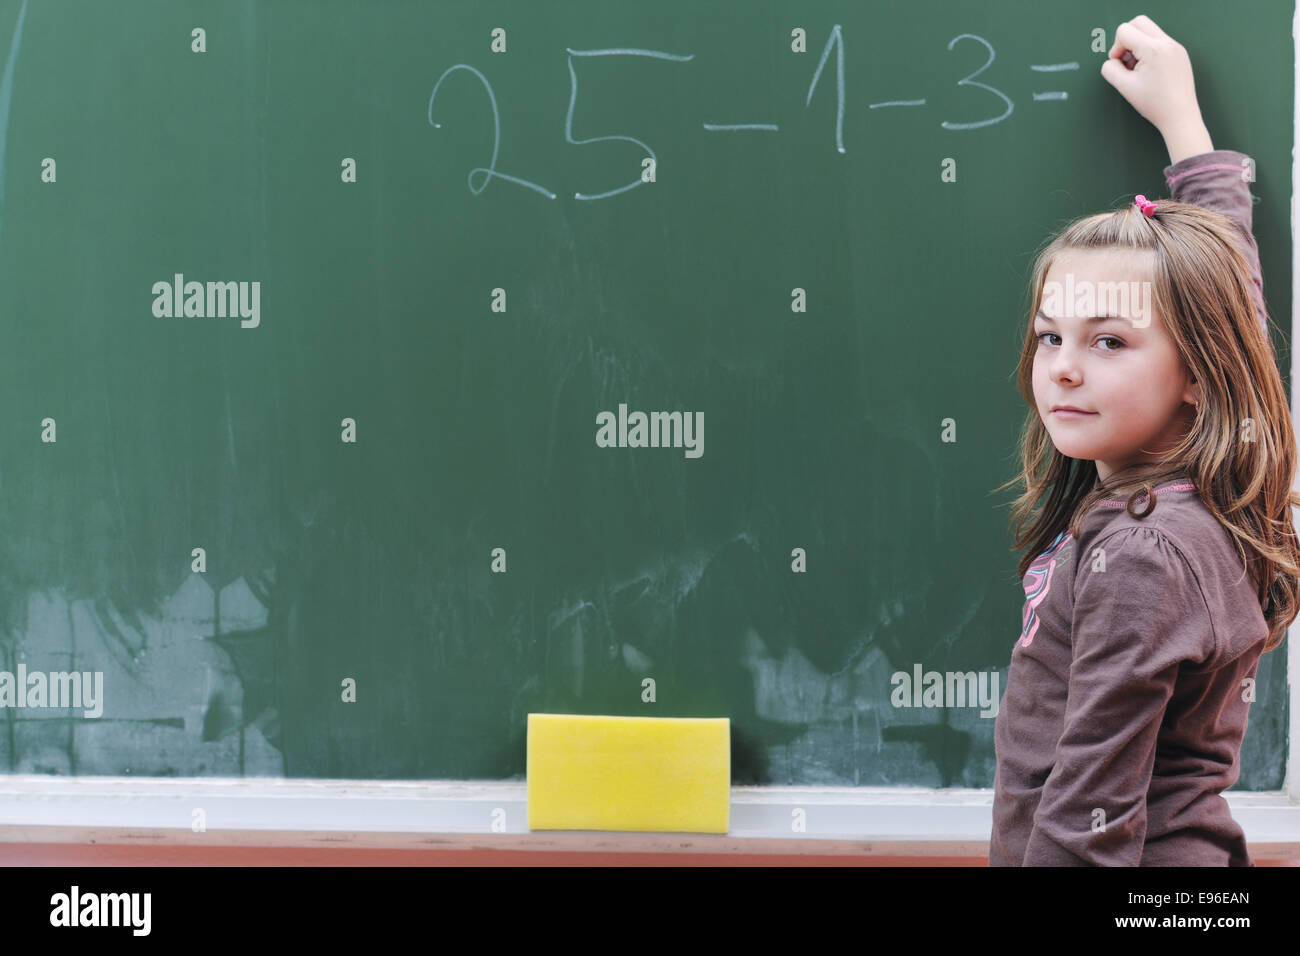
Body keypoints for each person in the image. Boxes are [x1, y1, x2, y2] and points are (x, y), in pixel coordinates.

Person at [988, 15, 1300, 866]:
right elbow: (1222, 295)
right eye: (1051, 336)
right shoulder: (1212, 498)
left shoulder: (1141, 556)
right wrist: (1184, 130)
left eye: (1109, 342)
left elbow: (1089, 817)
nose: (1063, 369)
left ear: (1198, 367)